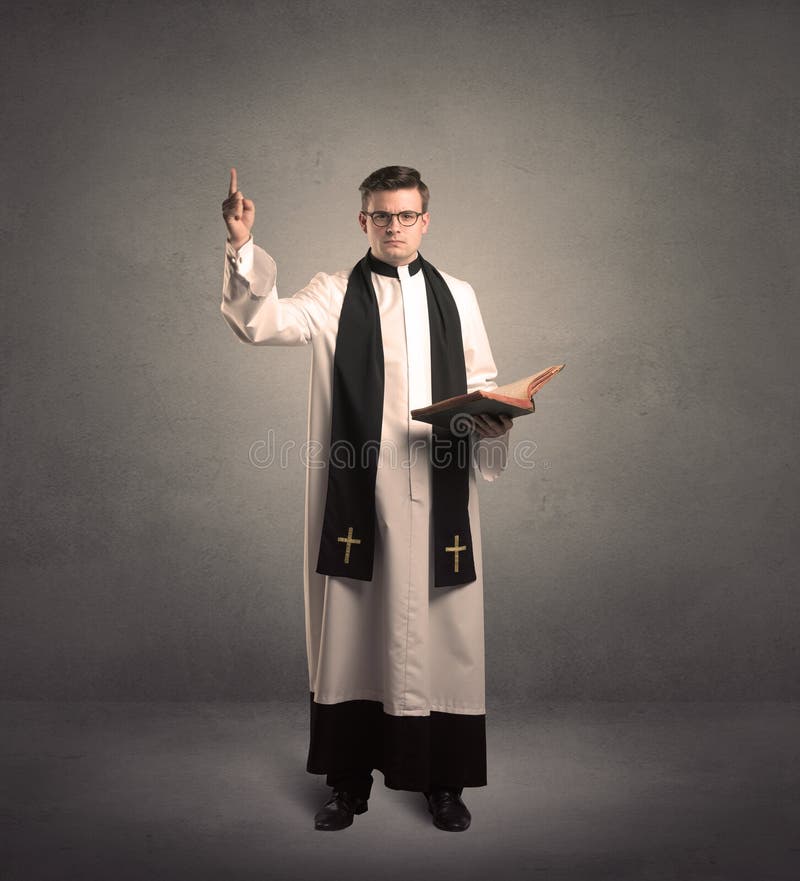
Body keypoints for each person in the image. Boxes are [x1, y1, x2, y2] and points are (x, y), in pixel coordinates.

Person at [220, 166, 512, 831]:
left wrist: (492, 414)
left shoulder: (458, 297)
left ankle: (443, 781)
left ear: (425, 220)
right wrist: (242, 245)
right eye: (382, 216)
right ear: (364, 220)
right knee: (352, 632)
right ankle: (348, 783)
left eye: (407, 216)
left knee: (445, 633)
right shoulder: (332, 294)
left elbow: (484, 378)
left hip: (437, 495)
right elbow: (263, 323)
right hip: (361, 496)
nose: (395, 227)